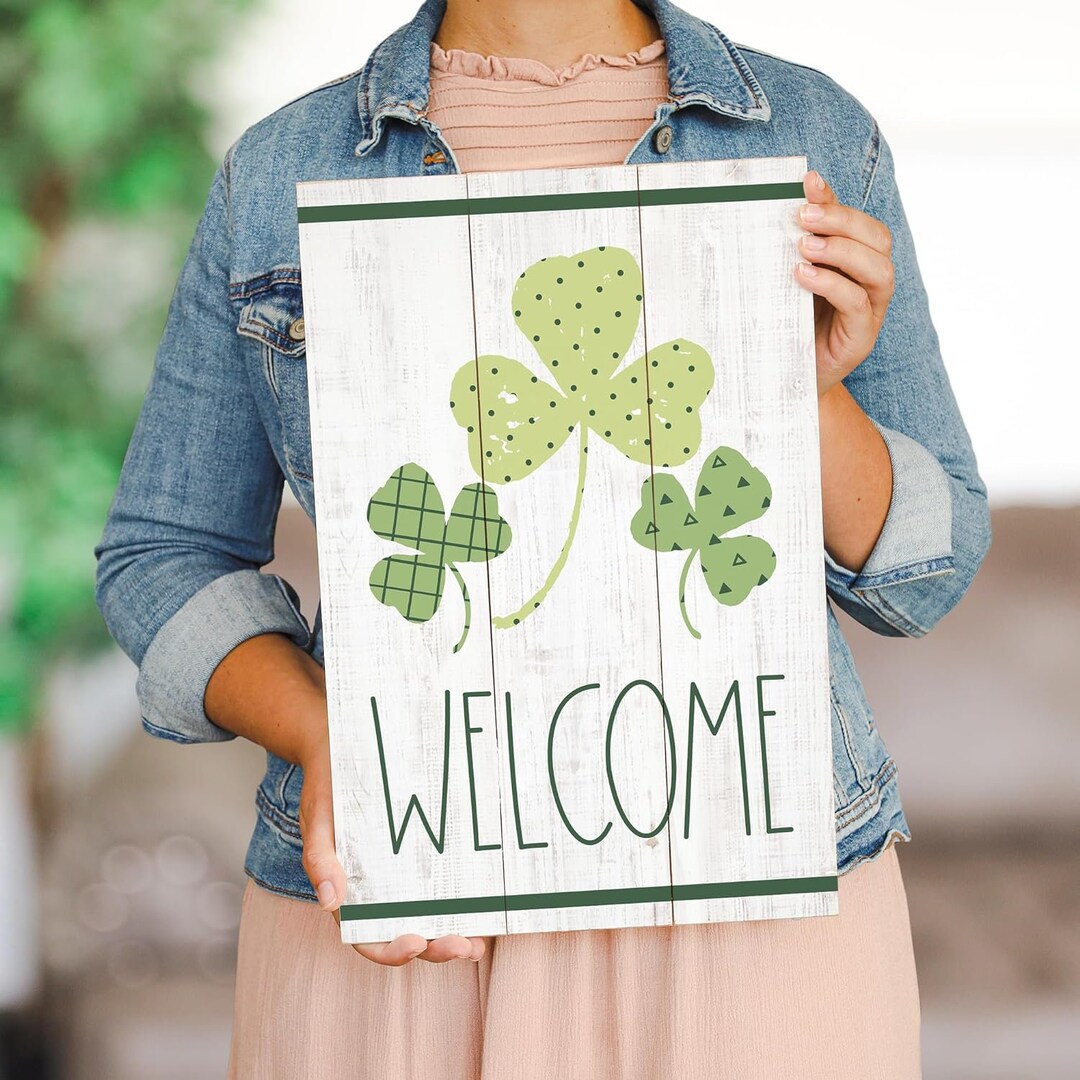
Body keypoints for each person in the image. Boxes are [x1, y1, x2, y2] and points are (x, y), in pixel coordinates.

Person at [94, 0, 991, 1076]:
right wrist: (330, 738)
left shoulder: (812, 136)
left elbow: (924, 577)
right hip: (403, 910)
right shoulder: (279, 172)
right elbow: (163, 555)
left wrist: (805, 386)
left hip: (753, 928)